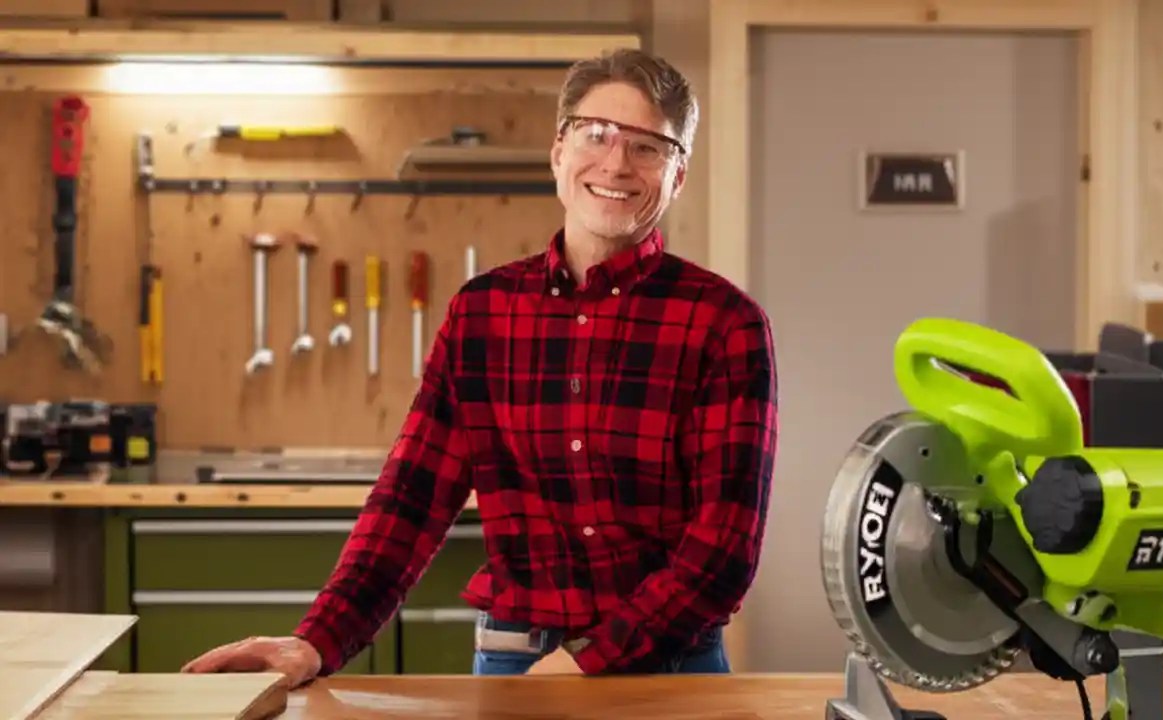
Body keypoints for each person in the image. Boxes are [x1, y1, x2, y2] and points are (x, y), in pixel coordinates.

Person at [181, 47, 778, 687]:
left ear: (678, 174)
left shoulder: (726, 323)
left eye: (647, 147)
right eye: (595, 134)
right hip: (514, 659)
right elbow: (410, 500)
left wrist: (588, 663)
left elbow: (722, 552)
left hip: (672, 670)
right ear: (558, 152)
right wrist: (317, 640)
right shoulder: (482, 313)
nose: (615, 163)